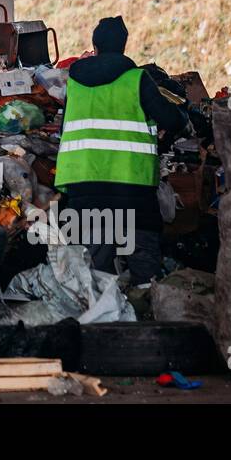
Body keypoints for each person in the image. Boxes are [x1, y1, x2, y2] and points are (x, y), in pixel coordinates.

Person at [54, 15, 189, 285]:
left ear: (96, 46)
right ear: (124, 46)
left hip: (84, 192)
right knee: (144, 277)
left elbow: (65, 129)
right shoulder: (137, 80)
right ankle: (142, 314)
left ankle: (102, 320)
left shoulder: (74, 82)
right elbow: (174, 120)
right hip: (132, 192)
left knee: (94, 279)